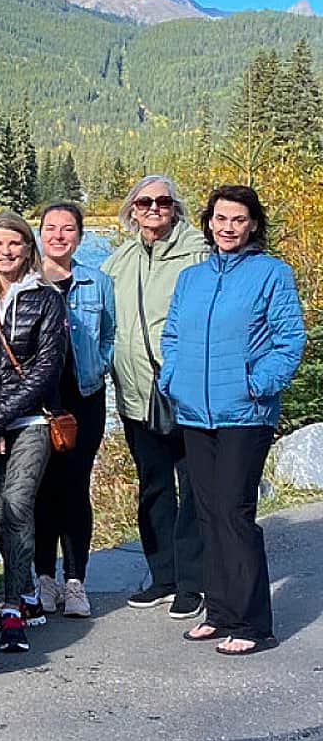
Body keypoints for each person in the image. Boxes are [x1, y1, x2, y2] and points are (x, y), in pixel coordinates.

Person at [160, 185, 305, 655]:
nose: (227, 227)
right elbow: (174, 334)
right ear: (208, 223)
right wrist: (174, 380)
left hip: (245, 413)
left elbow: (289, 341)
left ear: (253, 225)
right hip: (195, 413)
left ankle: (253, 623)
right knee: (205, 511)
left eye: (237, 220)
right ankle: (219, 610)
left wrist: (255, 384)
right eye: (220, 219)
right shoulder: (192, 278)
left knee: (233, 512)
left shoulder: (271, 274)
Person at [0, 211, 67, 653]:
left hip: (32, 420)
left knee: (18, 504)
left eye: (15, 244)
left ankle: (10, 608)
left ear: (28, 249)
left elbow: (46, 369)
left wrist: (0, 417)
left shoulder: (46, 298)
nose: (5, 252)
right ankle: (25, 589)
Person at [101, 175, 209, 620]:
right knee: (154, 488)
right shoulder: (118, 263)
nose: (153, 208)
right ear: (132, 210)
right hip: (135, 395)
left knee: (195, 488)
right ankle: (161, 575)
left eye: (163, 201)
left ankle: (192, 581)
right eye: (144, 202)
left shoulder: (199, 253)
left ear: (175, 208)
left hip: (187, 392)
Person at [34, 202, 116, 618]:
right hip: (39, 401)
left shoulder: (97, 283)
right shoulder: (29, 282)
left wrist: (99, 366)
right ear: (40, 233)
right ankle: (44, 577)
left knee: (75, 487)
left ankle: (76, 580)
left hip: (84, 398)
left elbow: (110, 335)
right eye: (51, 228)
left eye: (68, 229)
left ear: (79, 237)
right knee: (42, 490)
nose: (59, 236)